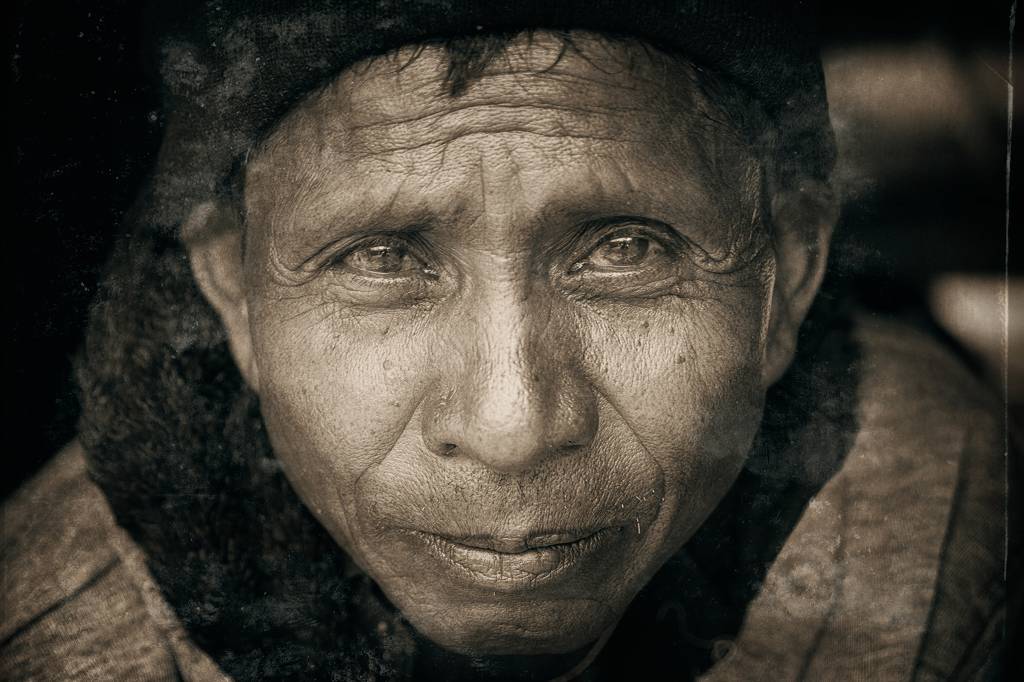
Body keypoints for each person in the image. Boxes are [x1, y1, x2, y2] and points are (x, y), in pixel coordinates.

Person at [1, 1, 1015, 680]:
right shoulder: (56, 642)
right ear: (231, 286)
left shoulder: (940, 523)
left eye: (625, 248)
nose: (513, 424)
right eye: (381, 257)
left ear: (786, 277)